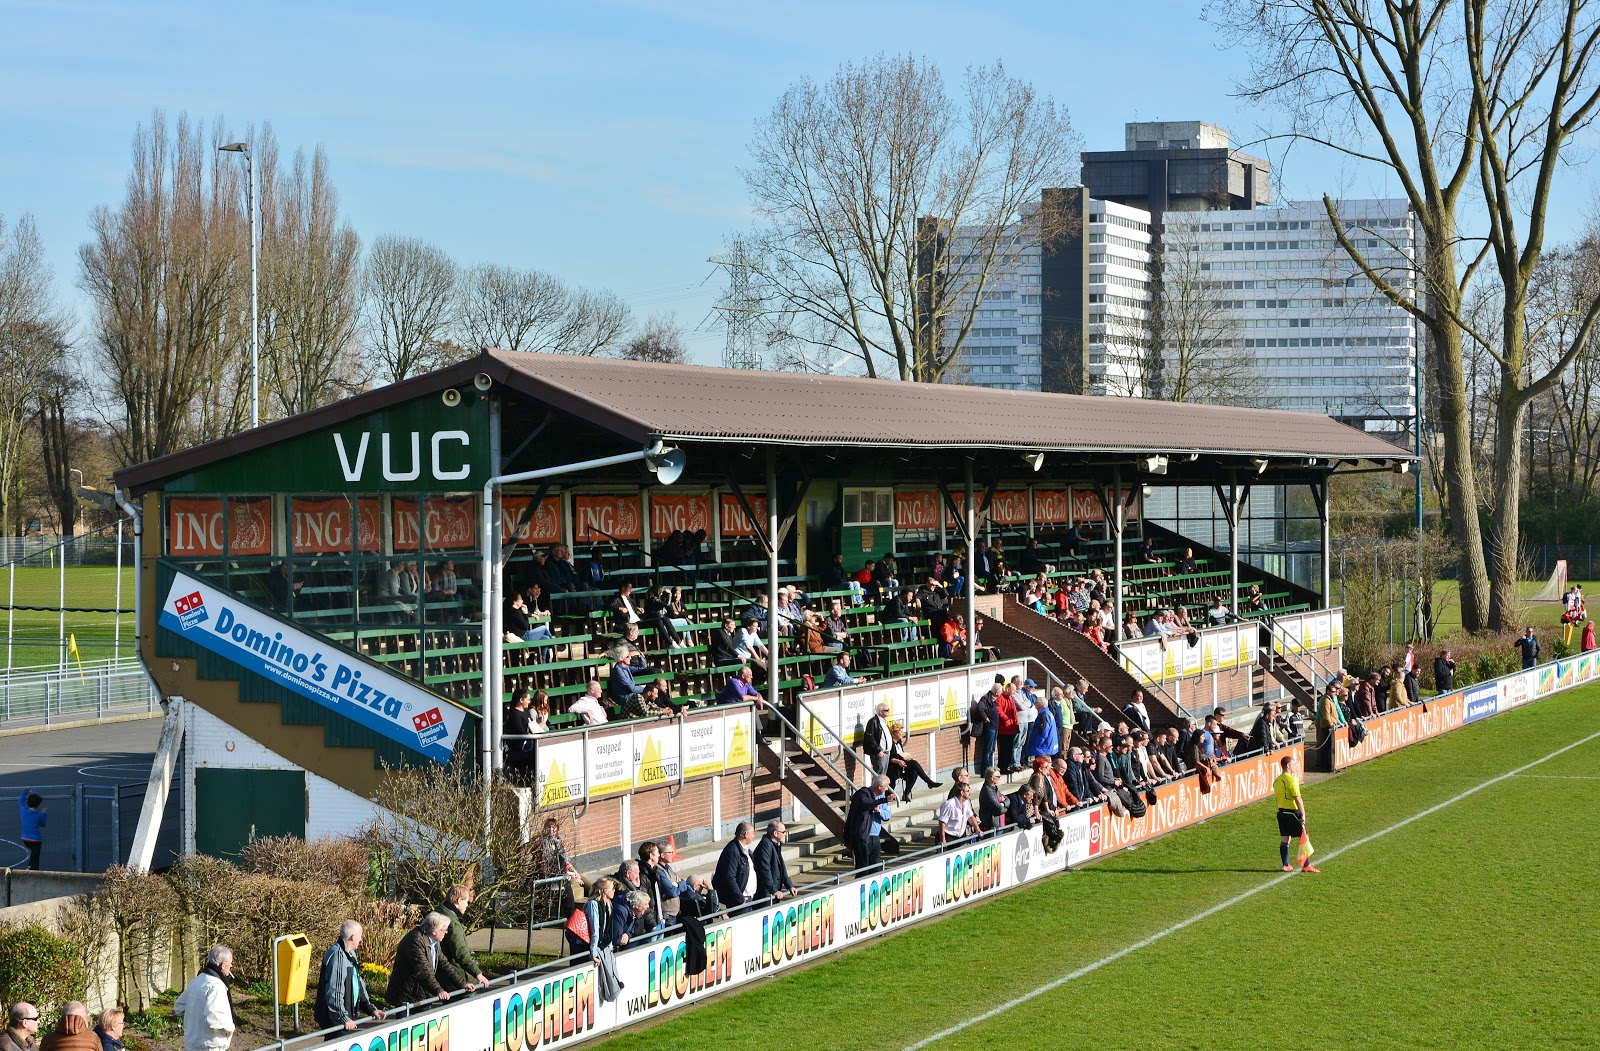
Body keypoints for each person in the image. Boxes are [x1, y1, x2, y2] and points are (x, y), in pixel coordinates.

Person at [315, 921, 386, 1032]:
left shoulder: (351, 954)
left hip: (346, 1019)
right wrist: (343, 1018)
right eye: (360, 936)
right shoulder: (338, 956)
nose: (361, 939)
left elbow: (357, 984)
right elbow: (335, 991)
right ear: (353, 937)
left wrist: (370, 1009)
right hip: (336, 1021)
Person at [387, 913, 467, 1006]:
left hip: (421, 993)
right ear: (434, 931)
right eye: (444, 929)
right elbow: (423, 969)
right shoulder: (415, 940)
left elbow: (444, 964)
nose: (446, 932)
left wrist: (462, 984)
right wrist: (438, 990)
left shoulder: (434, 940)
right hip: (408, 995)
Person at [174, 946, 236, 1051]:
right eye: (231, 962)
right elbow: (214, 1016)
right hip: (210, 1045)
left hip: (192, 1043)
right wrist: (230, 1027)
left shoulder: (196, 981)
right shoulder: (216, 986)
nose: (231, 966)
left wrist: (194, 1015)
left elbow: (178, 1007)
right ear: (223, 965)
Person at [436, 884, 488, 992]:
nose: (467, 906)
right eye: (467, 902)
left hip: (444, 974)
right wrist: (477, 973)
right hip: (457, 976)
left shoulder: (439, 913)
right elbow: (460, 951)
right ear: (459, 900)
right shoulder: (452, 922)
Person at [1273, 753, 1318, 873]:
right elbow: (1298, 798)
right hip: (1292, 812)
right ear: (1288, 765)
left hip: (1281, 812)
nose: (1295, 767)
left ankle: (1285, 865)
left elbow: (1277, 798)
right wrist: (1303, 814)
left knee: (1285, 838)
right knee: (1304, 836)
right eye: (1293, 764)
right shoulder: (1292, 780)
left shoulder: (1277, 781)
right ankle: (1306, 865)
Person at [843, 776, 893, 871]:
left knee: (876, 867)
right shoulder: (863, 794)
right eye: (886, 786)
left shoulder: (882, 797)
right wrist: (883, 800)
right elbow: (866, 802)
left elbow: (887, 815)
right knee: (863, 868)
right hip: (864, 837)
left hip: (876, 837)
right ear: (879, 786)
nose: (887, 789)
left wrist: (879, 811)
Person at [564, 877, 616, 960]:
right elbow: (595, 930)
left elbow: (608, 929)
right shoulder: (593, 904)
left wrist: (610, 947)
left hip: (596, 945)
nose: (614, 891)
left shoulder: (608, 905)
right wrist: (593, 953)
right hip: (583, 945)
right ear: (605, 890)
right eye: (612, 889)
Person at [713, 821, 758, 912]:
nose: (754, 836)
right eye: (752, 833)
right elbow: (729, 877)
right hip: (740, 902)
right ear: (746, 834)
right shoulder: (733, 851)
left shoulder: (745, 850)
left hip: (748, 898)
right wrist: (739, 898)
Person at [886, 723, 938, 801]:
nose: (903, 734)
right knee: (914, 763)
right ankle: (929, 782)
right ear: (895, 732)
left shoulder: (899, 741)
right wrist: (898, 761)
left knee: (914, 771)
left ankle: (906, 793)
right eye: (901, 731)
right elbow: (887, 757)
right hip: (894, 766)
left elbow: (901, 753)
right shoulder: (890, 742)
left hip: (902, 764)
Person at [752, 821, 796, 901]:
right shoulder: (765, 845)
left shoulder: (776, 844)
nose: (785, 834)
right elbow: (765, 870)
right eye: (783, 832)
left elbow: (782, 867)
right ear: (775, 833)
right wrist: (773, 890)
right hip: (766, 893)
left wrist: (789, 885)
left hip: (773, 891)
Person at [937, 781, 981, 847]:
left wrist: (978, 830)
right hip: (949, 837)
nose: (970, 793)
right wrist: (943, 839)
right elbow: (942, 823)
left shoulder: (967, 802)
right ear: (962, 793)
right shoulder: (949, 805)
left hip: (961, 837)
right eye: (968, 791)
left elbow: (970, 816)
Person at [863, 701, 892, 776]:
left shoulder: (883, 722)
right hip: (879, 753)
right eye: (887, 710)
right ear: (881, 712)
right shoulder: (873, 722)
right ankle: (875, 788)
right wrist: (878, 751)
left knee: (883, 775)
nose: (889, 711)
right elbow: (870, 738)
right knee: (879, 775)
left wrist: (888, 749)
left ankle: (883, 788)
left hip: (886, 753)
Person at [17, 790, 44, 870]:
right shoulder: (39, 814)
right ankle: (33, 869)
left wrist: (24, 792)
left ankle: (30, 866)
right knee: (36, 856)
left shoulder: (23, 811)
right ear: (38, 804)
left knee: (33, 853)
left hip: (25, 839)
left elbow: (20, 802)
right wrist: (44, 814)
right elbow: (43, 824)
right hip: (36, 840)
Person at [977, 767, 1007, 833]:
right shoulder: (987, 790)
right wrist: (1004, 806)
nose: (1000, 778)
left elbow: (1007, 799)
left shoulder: (994, 788)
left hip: (1000, 824)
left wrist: (1003, 804)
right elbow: (1000, 809)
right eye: (998, 776)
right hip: (992, 826)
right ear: (991, 778)